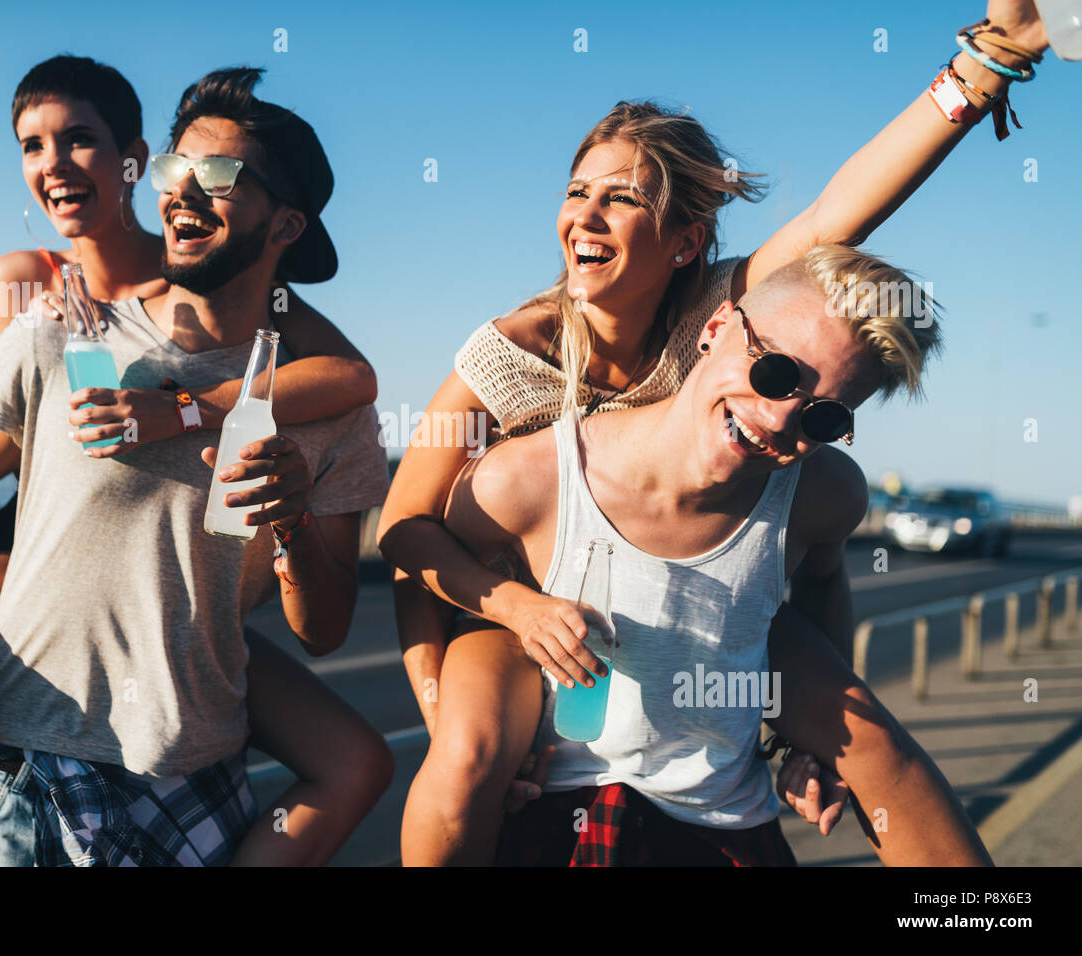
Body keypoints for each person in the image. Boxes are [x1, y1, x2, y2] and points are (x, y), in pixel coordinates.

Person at [382, 4, 1052, 865]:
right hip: (528, 608)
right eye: (576, 191)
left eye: (621, 199)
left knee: (874, 743)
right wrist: (483, 662)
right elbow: (405, 536)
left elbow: (838, 215)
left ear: (686, 243)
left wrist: (988, 64)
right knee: (468, 760)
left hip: (712, 584)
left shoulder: (721, 313)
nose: (585, 215)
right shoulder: (511, 353)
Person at [0, 64, 393, 866]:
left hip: (192, 782)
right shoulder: (57, 331)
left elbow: (325, 629)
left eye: (216, 176)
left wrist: (293, 525)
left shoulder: (330, 407)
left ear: (285, 227)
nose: (183, 191)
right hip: (16, 772)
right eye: (176, 171)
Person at [436, 246, 977, 865]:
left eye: (823, 416)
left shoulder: (821, 496)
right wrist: (462, 742)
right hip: (563, 808)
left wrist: (814, 743)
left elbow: (824, 586)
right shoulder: (531, 479)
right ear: (716, 329)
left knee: (888, 755)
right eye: (776, 374)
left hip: (726, 826)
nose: (778, 419)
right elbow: (435, 575)